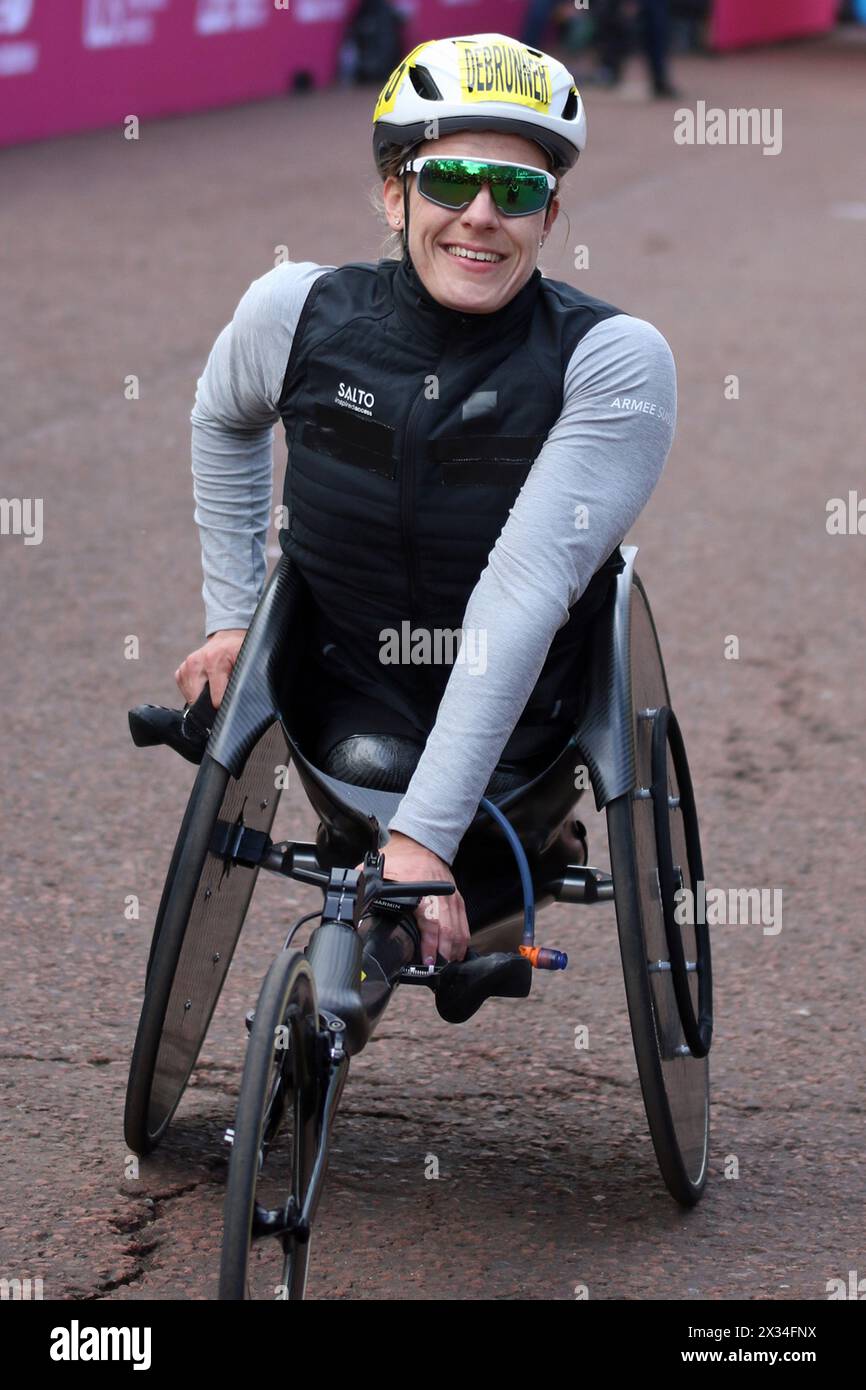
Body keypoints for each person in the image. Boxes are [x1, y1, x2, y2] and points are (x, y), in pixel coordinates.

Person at [176, 32, 677, 971]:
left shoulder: (613, 361)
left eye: (518, 191)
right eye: (449, 181)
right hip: (342, 708)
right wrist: (233, 616)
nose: (481, 215)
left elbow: (524, 588)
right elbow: (220, 418)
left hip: (527, 734)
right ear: (393, 191)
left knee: (435, 865)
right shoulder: (293, 312)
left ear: (551, 212)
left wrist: (427, 837)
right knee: (377, 810)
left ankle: (509, 859)